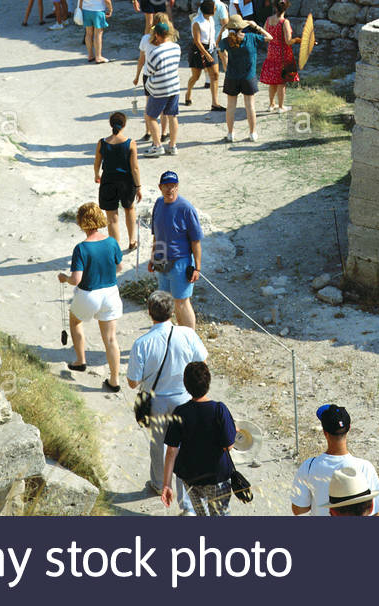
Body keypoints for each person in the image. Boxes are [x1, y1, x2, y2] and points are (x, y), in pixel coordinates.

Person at [128, 292, 210, 512]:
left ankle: (158, 483)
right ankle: (187, 504)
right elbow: (201, 359)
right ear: (173, 311)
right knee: (185, 448)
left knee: (159, 446)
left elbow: (132, 382)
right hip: (184, 396)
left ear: (149, 313)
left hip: (156, 402)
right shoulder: (187, 334)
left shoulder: (142, 343)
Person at [58, 202, 123, 391]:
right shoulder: (112, 242)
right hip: (111, 293)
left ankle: (80, 360)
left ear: (81, 222)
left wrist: (64, 278)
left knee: (75, 321)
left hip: (89, 294)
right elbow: (119, 267)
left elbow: (76, 279)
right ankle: (114, 380)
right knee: (111, 339)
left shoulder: (81, 248)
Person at [161, 361, 236, 517]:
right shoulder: (219, 409)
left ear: (186, 385)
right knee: (220, 515)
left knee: (201, 514)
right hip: (217, 475)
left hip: (191, 475)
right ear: (208, 382)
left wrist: (166, 484)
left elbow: (171, 451)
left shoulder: (180, 412)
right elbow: (228, 446)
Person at [290, 403, 379, 516]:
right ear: (349, 428)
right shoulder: (365, 467)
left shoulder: (309, 466)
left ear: (325, 432)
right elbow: (375, 513)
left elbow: (299, 510)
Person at [148, 170, 202, 328]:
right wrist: (153, 258)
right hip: (162, 261)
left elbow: (196, 241)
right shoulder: (158, 204)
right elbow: (156, 235)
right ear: (160, 187)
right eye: (166, 186)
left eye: (173, 186)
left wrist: (197, 268)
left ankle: (190, 339)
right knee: (164, 303)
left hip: (180, 263)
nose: (169, 189)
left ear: (177, 187)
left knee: (182, 302)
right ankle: (170, 337)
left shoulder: (186, 208)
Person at [95, 110, 142, 251]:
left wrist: (97, 174)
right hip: (126, 182)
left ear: (111, 125)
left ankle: (115, 249)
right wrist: (138, 186)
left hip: (108, 180)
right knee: (129, 209)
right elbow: (135, 168)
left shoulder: (102, 143)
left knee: (112, 217)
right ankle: (132, 241)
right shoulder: (130, 143)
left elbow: (97, 163)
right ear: (124, 125)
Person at [220, 14, 269, 144]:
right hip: (248, 77)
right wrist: (256, 26)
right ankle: (253, 133)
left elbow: (217, 44)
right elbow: (270, 37)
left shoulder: (227, 41)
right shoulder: (251, 37)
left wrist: (221, 30)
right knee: (250, 106)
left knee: (230, 107)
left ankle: (230, 134)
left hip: (232, 77)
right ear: (242, 27)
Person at [141, 21, 182, 156]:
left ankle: (157, 145)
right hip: (174, 86)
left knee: (150, 116)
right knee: (172, 116)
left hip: (159, 89)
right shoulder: (177, 48)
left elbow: (150, 70)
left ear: (157, 35)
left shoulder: (155, 52)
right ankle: (173, 145)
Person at [259, 0, 294, 114]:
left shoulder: (269, 20)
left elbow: (265, 34)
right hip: (282, 54)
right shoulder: (285, 22)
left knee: (273, 80)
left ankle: (271, 104)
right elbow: (288, 41)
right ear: (286, 8)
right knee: (281, 81)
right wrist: (299, 40)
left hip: (271, 52)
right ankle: (281, 106)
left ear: (274, 6)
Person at [185, 0, 220, 106]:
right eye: (214, 8)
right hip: (199, 50)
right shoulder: (197, 22)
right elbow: (197, 41)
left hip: (211, 47)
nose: (216, 9)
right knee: (196, 76)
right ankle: (188, 93)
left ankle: (215, 103)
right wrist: (206, 54)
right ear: (210, 9)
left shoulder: (211, 19)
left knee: (215, 74)